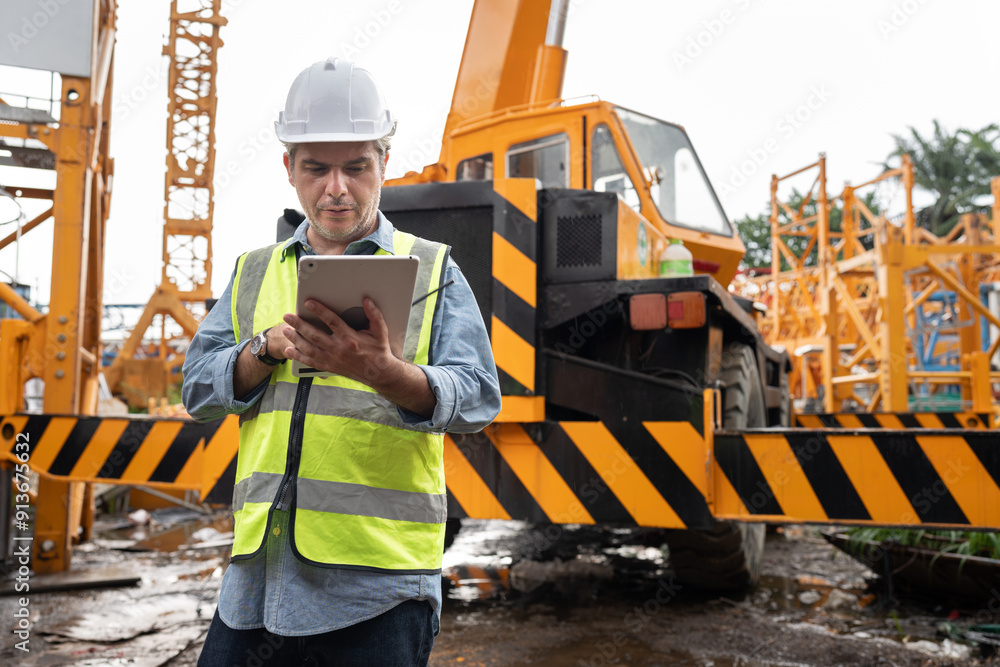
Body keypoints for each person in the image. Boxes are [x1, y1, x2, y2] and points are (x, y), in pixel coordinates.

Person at [182, 57, 501, 666]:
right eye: (316, 168)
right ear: (289, 169)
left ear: (383, 161)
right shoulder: (254, 272)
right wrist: (264, 350)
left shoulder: (431, 270)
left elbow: (479, 396)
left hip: (377, 591)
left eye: (356, 167)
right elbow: (197, 389)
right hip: (257, 584)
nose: (336, 189)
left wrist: (385, 372)